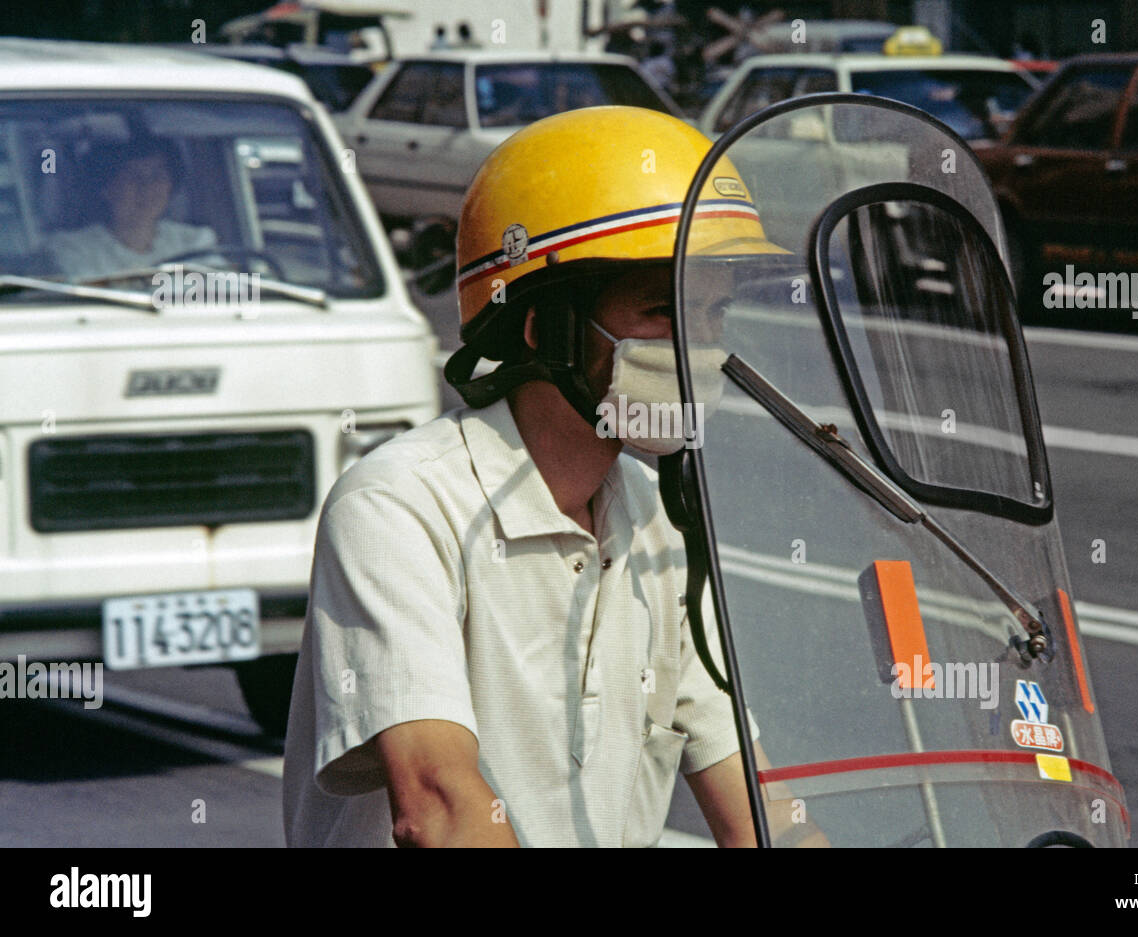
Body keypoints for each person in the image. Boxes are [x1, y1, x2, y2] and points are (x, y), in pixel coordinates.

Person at [282, 105, 828, 847]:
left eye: (713, 314)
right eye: (664, 311)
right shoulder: (400, 508)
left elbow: (761, 808)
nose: (701, 348)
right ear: (546, 328)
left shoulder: (653, 521)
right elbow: (441, 810)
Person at [49, 137, 218, 282]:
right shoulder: (72, 250)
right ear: (106, 187)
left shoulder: (195, 242)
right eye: (132, 177)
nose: (147, 188)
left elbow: (224, 295)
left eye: (157, 176)